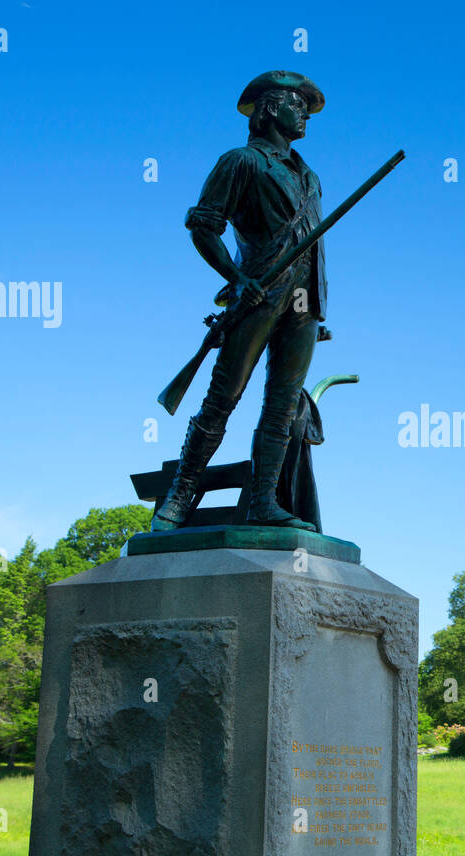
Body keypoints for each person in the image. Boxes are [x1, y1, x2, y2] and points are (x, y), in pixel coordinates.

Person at [152, 70, 328, 533]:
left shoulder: (309, 177)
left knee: (282, 405)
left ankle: (264, 503)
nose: (305, 114)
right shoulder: (242, 162)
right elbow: (204, 225)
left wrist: (316, 307)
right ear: (270, 108)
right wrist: (237, 276)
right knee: (222, 399)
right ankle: (180, 494)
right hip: (259, 295)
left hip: (304, 305)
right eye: (296, 105)